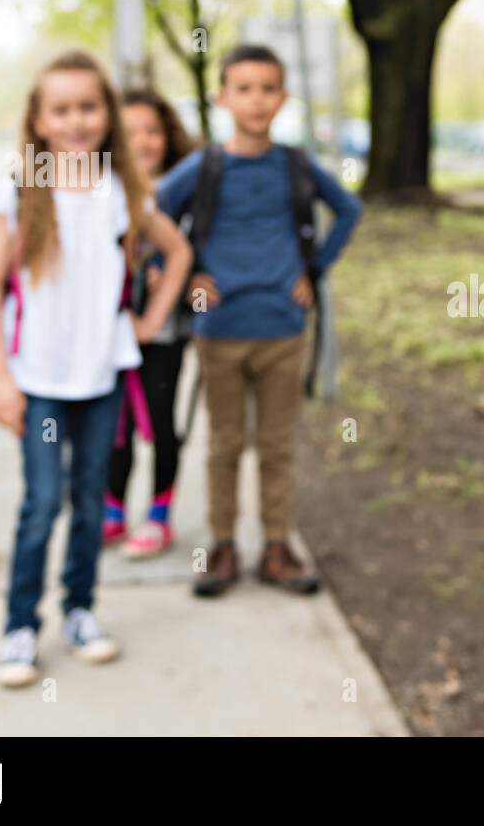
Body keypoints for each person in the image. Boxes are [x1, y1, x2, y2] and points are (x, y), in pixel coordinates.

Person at [0, 51, 192, 687]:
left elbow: (176, 253)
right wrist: (2, 376)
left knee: (90, 503)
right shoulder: (21, 190)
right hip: (39, 383)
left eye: (88, 107)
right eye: (62, 109)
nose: (77, 120)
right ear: (39, 120)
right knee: (43, 503)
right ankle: (20, 626)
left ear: (107, 116)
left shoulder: (121, 192)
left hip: (101, 380)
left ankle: (80, 611)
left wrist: (148, 323)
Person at [156, 44, 362, 598]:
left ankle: (276, 547)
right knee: (224, 445)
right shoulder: (206, 165)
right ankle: (221, 547)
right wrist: (184, 274)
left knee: (277, 445)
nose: (257, 99)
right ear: (222, 98)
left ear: (283, 97)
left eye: (268, 88)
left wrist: (313, 269)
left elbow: (348, 210)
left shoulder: (295, 165)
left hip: (282, 330)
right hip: (218, 331)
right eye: (243, 89)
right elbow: (152, 216)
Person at [103, 88, 197, 559]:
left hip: (164, 329)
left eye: (153, 131)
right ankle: (113, 507)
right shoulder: (101, 184)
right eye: (131, 131)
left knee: (159, 419)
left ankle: (159, 514)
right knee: (114, 420)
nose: (143, 141)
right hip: (109, 328)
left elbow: (203, 249)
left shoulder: (187, 187)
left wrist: (182, 277)